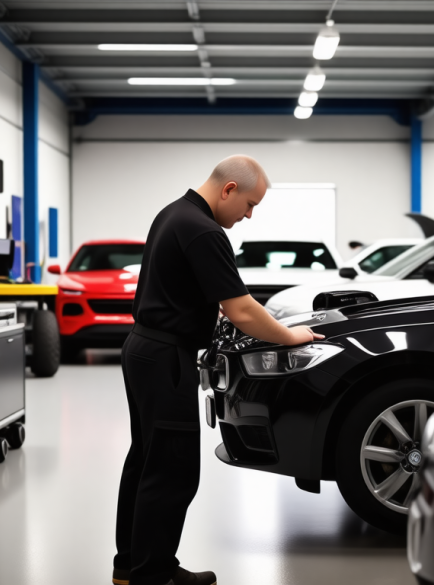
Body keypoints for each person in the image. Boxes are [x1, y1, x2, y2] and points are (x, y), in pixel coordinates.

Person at [113, 155, 323, 585]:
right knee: (172, 470)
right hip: (166, 357)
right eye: (249, 204)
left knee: (145, 459)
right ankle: (153, 575)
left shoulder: (173, 213)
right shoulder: (204, 230)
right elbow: (241, 308)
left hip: (144, 349)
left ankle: (131, 566)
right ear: (229, 190)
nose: (248, 215)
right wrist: (289, 335)